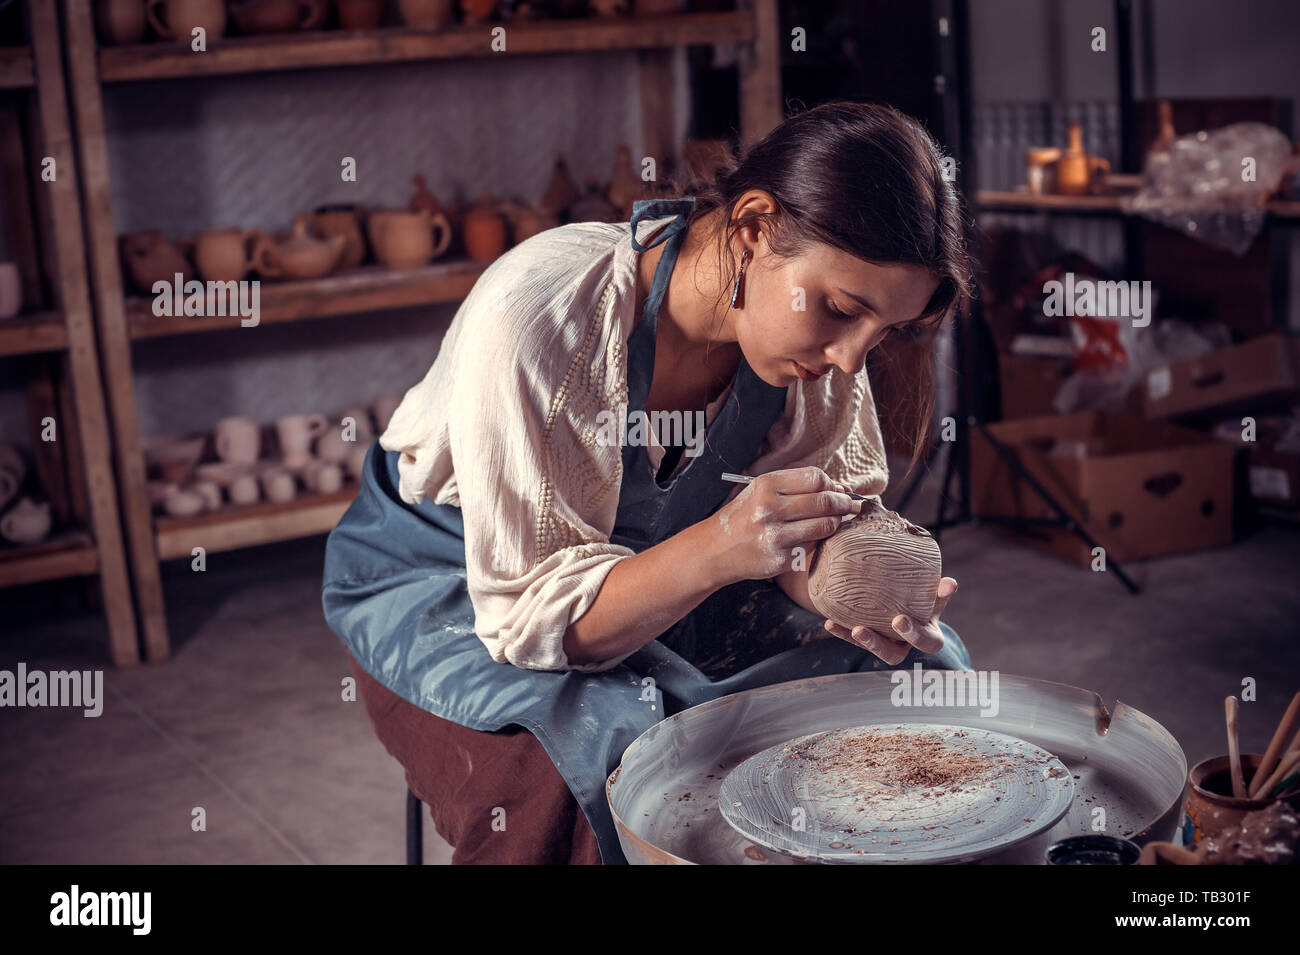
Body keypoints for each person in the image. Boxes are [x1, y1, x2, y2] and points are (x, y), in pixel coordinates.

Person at [323, 100, 974, 865]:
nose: (852, 359)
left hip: (687, 567)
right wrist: (724, 545)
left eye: (884, 331)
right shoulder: (543, 310)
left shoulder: (819, 356)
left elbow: (794, 541)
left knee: (923, 677)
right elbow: (537, 623)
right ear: (754, 227)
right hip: (462, 582)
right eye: (838, 309)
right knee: (601, 766)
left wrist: (848, 591)